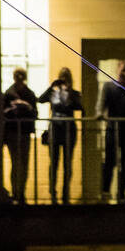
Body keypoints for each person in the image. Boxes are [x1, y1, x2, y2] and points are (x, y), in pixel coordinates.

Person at [38, 68, 82, 205]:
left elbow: (79, 107)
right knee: (54, 163)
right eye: (62, 78)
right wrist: (52, 86)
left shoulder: (74, 93)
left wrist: (68, 94)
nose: (64, 81)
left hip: (69, 131)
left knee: (67, 164)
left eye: (66, 78)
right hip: (55, 131)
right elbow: (40, 99)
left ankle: (65, 194)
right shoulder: (53, 92)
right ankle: (53, 193)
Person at [97, 61, 125, 204]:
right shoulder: (108, 86)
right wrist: (99, 113)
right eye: (123, 70)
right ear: (117, 70)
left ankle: (121, 193)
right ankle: (106, 192)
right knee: (110, 162)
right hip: (112, 130)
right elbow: (101, 103)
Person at [2, 69, 38, 204]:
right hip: (12, 132)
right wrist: (12, 109)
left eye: (21, 76)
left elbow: (35, 113)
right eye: (17, 76)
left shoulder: (30, 94)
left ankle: (21, 192)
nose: (19, 78)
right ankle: (15, 192)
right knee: (16, 163)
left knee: (24, 164)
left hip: (25, 132)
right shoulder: (8, 94)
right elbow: (2, 112)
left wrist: (26, 106)